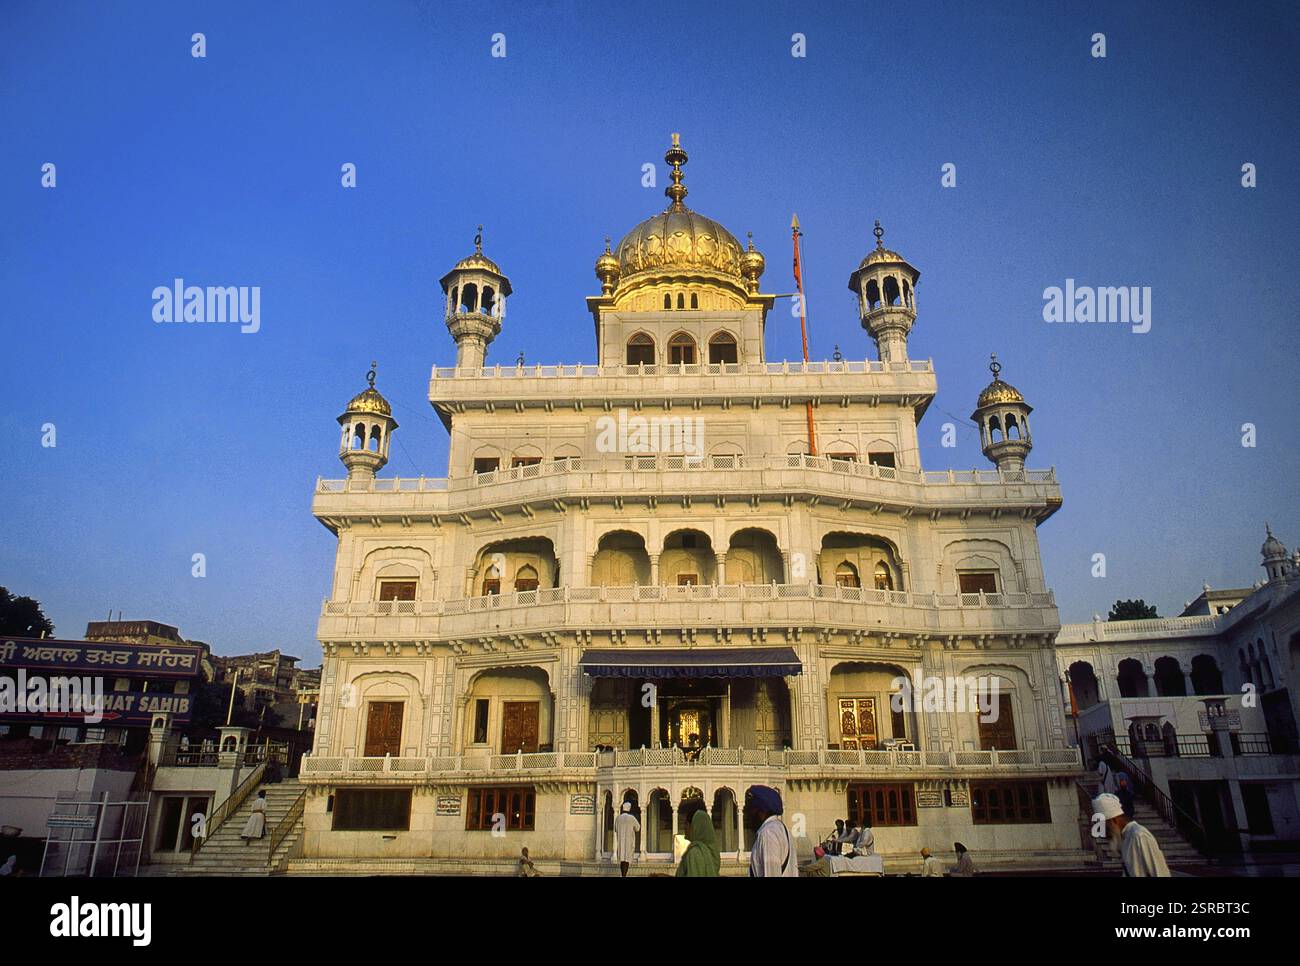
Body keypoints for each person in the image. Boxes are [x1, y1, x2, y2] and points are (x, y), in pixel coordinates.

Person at [1092, 792, 1170, 877]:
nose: (1104, 832)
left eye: (1105, 826)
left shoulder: (1139, 835)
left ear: (1114, 820)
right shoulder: (1124, 838)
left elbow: (1160, 873)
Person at [746, 785, 797, 877]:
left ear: (761, 810)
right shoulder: (781, 829)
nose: (749, 815)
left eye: (751, 810)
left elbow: (772, 871)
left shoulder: (768, 833)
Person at [676, 808, 720, 877]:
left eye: (686, 824)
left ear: (695, 826)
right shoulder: (710, 851)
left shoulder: (695, 853)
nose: (685, 827)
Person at [613, 801, 640, 877]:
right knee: (627, 858)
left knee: (622, 858)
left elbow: (615, 829)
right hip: (629, 841)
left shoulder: (618, 818)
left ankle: (623, 874)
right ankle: (624, 875)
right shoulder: (631, 818)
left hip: (621, 841)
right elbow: (638, 828)